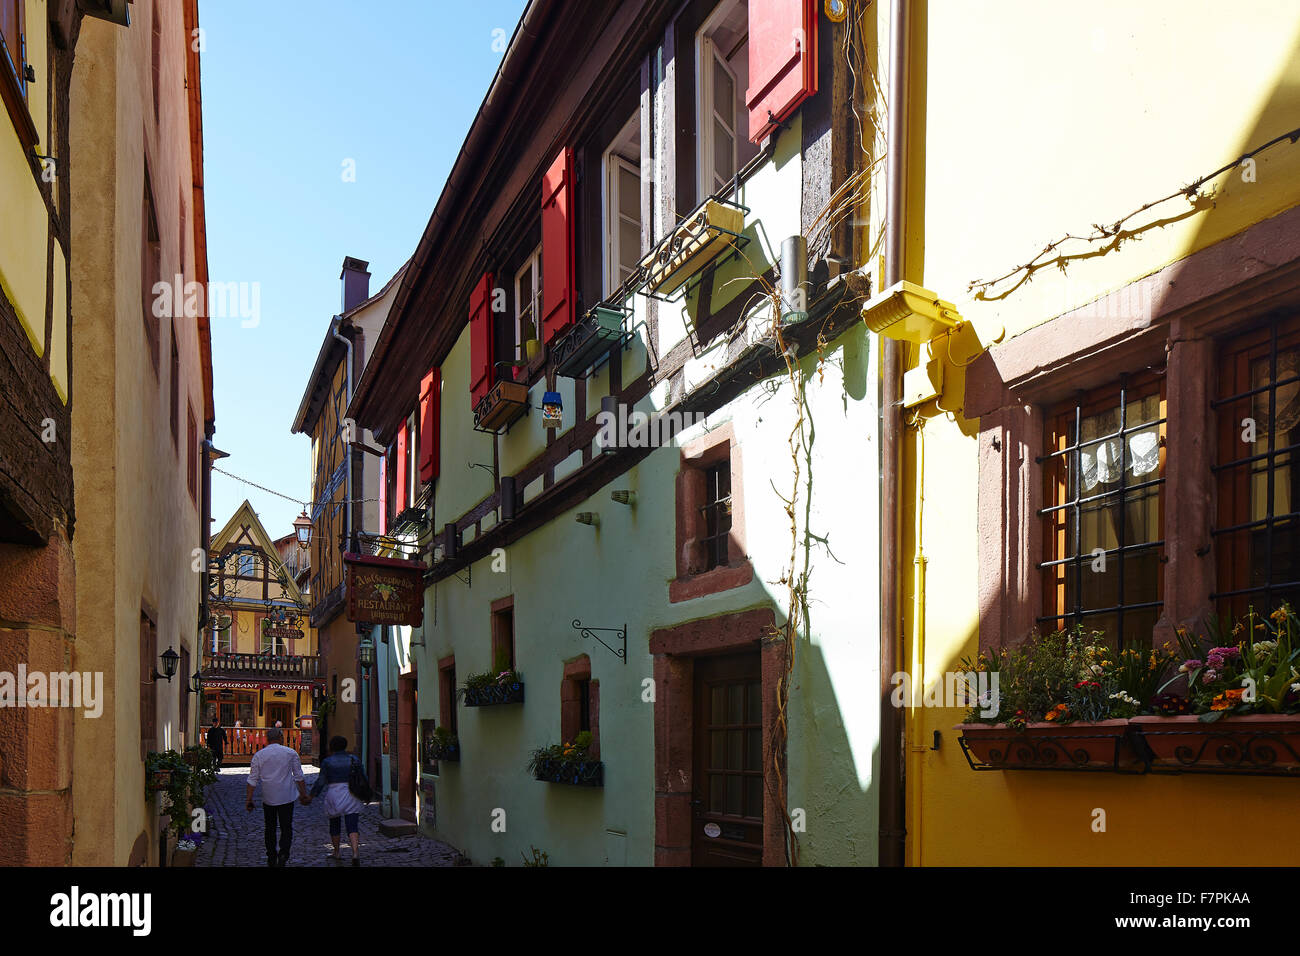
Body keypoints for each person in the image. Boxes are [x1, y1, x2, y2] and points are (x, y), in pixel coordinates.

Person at [246, 727, 310, 867]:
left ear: (267, 739)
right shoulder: (290, 753)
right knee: (286, 827)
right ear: (281, 738)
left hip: (269, 797)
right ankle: (283, 853)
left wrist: (249, 799)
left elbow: (252, 780)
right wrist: (303, 794)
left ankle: (271, 856)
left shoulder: (259, 755)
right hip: (286, 796)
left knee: (270, 828)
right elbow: (299, 776)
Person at [310, 735, 366, 866]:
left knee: (334, 824)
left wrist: (312, 795)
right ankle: (355, 852)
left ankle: (337, 852)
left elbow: (321, 781)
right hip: (352, 793)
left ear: (332, 747)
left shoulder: (328, 762)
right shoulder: (354, 759)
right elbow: (363, 777)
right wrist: (366, 794)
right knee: (352, 824)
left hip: (334, 793)